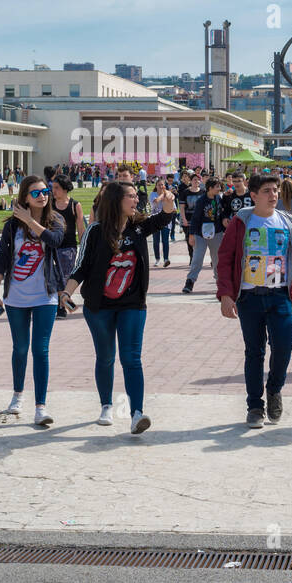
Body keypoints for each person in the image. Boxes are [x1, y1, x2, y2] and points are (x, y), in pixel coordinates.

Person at [62, 180, 177, 434]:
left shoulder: (138, 228)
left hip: (133, 305)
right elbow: (80, 267)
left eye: (137, 196)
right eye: (131, 196)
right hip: (99, 306)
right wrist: (67, 293)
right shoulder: (95, 231)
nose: (136, 200)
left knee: (131, 359)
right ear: (116, 200)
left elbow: (164, 219)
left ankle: (137, 413)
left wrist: (169, 202)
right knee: (105, 358)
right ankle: (106, 405)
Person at [216, 174, 292, 428]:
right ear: (253, 195)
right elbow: (225, 258)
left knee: (284, 347)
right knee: (254, 352)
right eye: (267, 191)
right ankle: (255, 406)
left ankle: (274, 389)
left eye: (275, 190)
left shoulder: (288, 221)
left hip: (279, 295)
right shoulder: (241, 222)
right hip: (249, 297)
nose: (273, 195)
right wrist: (225, 294)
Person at [0, 176, 67, 427]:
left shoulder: (56, 220)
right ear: (24, 198)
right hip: (16, 297)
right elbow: (2, 259)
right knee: (20, 348)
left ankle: (40, 407)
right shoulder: (12, 226)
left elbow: (55, 241)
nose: (43, 196)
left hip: (46, 295)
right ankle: (17, 395)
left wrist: (30, 220)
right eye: (36, 193)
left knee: (40, 350)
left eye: (45, 191)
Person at [183, 178, 225, 294]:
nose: (219, 189)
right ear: (210, 188)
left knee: (217, 259)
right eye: (217, 187)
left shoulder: (218, 198)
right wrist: (191, 235)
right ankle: (190, 281)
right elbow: (195, 218)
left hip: (216, 233)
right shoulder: (201, 201)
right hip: (201, 234)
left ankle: (220, 282)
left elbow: (222, 213)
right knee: (197, 258)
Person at [50, 175, 85, 313]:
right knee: (54, 277)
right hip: (51, 245)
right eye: (53, 188)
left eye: (57, 188)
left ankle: (62, 307)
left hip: (68, 247)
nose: (54, 191)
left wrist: (83, 248)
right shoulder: (50, 204)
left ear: (65, 189)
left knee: (64, 277)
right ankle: (65, 305)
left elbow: (81, 228)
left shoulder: (75, 205)